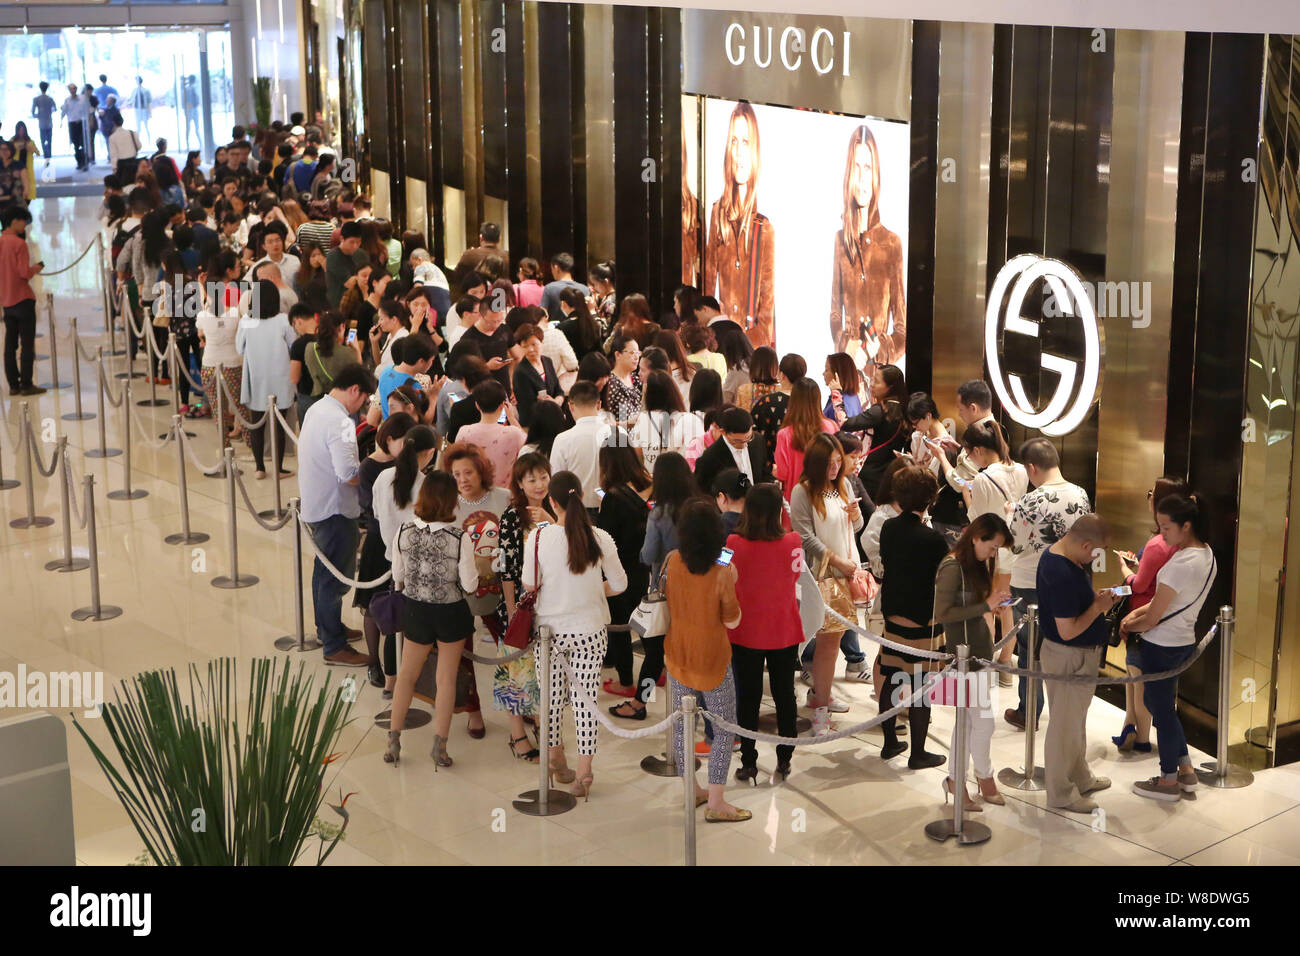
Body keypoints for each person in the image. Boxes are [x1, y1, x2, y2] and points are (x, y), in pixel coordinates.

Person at [522, 471, 627, 799]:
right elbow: (621, 584)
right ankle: (585, 772)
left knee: (551, 700)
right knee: (586, 702)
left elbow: (529, 584)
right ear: (580, 496)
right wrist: (595, 589)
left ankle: (556, 758)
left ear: (551, 502)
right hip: (590, 630)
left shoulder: (538, 538)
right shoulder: (600, 537)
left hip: (549, 632)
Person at [1121, 494, 1217, 802]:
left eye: (1166, 526)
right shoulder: (1206, 554)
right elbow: (1165, 604)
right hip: (1182, 641)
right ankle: (1186, 770)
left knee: (1161, 712)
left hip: (1160, 645)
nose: (1162, 533)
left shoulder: (1182, 563)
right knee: (1166, 710)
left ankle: (1167, 780)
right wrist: (1137, 616)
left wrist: (1128, 624)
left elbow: (1154, 616)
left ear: (1185, 526)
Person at [663, 500, 750, 822]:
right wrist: (733, 581)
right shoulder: (721, 571)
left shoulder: (672, 561)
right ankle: (716, 801)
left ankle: (692, 790)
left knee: (683, 726)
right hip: (713, 660)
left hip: (678, 654)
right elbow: (732, 621)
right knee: (724, 729)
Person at [386, 471, 480, 768]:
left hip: (415, 610)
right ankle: (439, 746)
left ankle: (393, 739)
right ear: (451, 501)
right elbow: (470, 585)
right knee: (445, 679)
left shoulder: (403, 531)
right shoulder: (459, 537)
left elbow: (398, 576)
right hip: (450, 613)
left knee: (406, 676)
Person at [1004, 437, 1092, 730]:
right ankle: (1063, 713)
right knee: (1062, 649)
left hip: (1031, 582)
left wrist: (1009, 515)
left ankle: (1028, 712)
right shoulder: (1080, 494)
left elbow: (1014, 546)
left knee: (1030, 652)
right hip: (1069, 582)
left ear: (1031, 467)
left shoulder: (1031, 500)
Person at [297, 363, 379, 666]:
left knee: (324, 573)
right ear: (355, 390)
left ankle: (327, 629)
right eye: (364, 398)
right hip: (335, 509)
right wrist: (375, 466)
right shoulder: (340, 421)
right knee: (333, 579)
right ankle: (334, 645)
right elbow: (348, 473)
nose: (364, 405)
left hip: (318, 504)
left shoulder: (318, 409)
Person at [1035, 514, 1117, 813]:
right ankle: (1060, 793)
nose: (1101, 557)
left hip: (1073, 655)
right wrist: (1098, 606)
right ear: (1086, 544)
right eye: (1100, 550)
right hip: (1068, 655)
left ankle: (1079, 775)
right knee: (1063, 728)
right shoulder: (1062, 572)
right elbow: (1067, 629)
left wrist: (1093, 601)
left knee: (1073, 723)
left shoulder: (1060, 555)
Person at [935, 514, 1013, 812]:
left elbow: (972, 607)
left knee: (970, 723)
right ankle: (982, 777)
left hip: (979, 654)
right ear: (977, 537)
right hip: (963, 657)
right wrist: (986, 605)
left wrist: (992, 603)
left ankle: (962, 779)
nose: (993, 554)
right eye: (992, 547)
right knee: (980, 723)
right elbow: (944, 613)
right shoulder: (952, 566)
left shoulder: (975, 563)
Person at [728, 482, 804, 783]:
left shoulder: (733, 543)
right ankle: (785, 758)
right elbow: (796, 573)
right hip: (783, 628)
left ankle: (748, 760)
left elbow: (723, 572)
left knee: (748, 697)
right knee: (785, 694)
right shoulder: (793, 541)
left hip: (745, 630)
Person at [790, 434, 865, 735]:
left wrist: (857, 516)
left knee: (832, 643)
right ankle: (820, 703)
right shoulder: (803, 491)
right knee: (827, 643)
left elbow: (854, 528)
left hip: (846, 571)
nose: (835, 468)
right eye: (830, 464)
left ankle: (821, 695)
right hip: (822, 575)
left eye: (838, 462)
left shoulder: (843, 486)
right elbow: (804, 537)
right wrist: (836, 561)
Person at [875, 465, 948, 764]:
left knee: (891, 676)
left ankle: (890, 742)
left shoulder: (888, 528)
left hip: (894, 616)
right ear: (930, 498)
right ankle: (918, 752)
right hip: (923, 622)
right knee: (921, 688)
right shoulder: (933, 540)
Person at [1112, 476, 1191, 752]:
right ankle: (1130, 730)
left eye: (1150, 493)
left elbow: (1141, 585)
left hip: (1143, 618)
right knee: (1137, 682)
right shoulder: (1183, 544)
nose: (1148, 498)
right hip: (1166, 623)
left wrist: (1124, 569)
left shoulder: (1158, 544)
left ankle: (1143, 740)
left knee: (1137, 683)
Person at [830, 124, 906, 368]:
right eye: (856, 167)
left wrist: (881, 349)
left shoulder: (891, 243)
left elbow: (903, 329)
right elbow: (834, 314)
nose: (862, 178)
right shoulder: (840, 240)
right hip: (848, 374)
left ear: (876, 175)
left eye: (868, 167)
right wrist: (845, 344)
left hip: (881, 379)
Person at [496, 453, 553, 761]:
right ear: (519, 483)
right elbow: (504, 566)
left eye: (543, 476)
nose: (539, 484)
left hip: (553, 603)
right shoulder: (511, 516)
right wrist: (511, 607)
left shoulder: (553, 509)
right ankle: (517, 734)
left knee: (545, 669)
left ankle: (545, 726)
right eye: (531, 479)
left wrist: (552, 520)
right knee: (516, 669)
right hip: (520, 604)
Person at [703, 101, 774, 347]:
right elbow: (707, 292)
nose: (740, 152)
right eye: (734, 141)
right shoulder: (716, 214)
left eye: (746, 142)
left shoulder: (763, 228)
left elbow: (767, 314)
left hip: (747, 352)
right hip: (717, 347)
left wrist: (743, 343)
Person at [355, 412, 417, 692]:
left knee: (397, 605)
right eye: (406, 441)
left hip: (401, 541)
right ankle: (374, 662)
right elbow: (371, 507)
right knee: (373, 604)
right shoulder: (371, 467)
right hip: (379, 541)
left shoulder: (412, 467)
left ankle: (396, 666)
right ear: (390, 439)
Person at [597, 442, 654, 700]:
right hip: (643, 569)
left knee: (619, 628)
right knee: (648, 630)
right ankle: (653, 680)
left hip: (619, 571)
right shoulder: (643, 491)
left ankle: (626, 682)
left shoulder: (613, 498)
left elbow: (606, 541)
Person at [234, 281, 297, 479]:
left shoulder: (247, 320)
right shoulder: (283, 320)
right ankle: (279, 468)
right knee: (279, 424)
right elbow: (292, 345)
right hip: (281, 377)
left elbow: (239, 348)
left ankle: (260, 467)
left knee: (257, 424)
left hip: (257, 377)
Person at [839, 363, 909, 495]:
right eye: (872, 379)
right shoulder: (904, 410)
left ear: (890, 387)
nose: (871, 384)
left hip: (869, 477)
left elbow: (844, 423)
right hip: (890, 476)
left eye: (876, 381)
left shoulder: (880, 411)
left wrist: (836, 393)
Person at [0, 207, 45, 396]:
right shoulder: (19, 244)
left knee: (10, 344)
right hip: (23, 299)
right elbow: (23, 273)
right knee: (27, 344)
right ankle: (26, 383)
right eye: (24, 221)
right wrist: (37, 267)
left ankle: (13, 385)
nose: (25, 225)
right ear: (15, 221)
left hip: (7, 300)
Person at [550, 380, 612, 512]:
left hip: (575, 509)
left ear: (571, 406)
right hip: (611, 506)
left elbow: (556, 480)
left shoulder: (562, 439)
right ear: (599, 404)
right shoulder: (617, 434)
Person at [774, 377, 837, 501]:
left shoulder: (785, 434)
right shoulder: (832, 427)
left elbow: (783, 473)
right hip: (826, 495)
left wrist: (774, 471)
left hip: (795, 498)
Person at [455, 379, 527, 487]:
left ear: (477, 405)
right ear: (503, 405)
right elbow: (529, 447)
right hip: (506, 497)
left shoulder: (464, 432)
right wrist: (511, 418)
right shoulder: (514, 433)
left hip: (473, 494)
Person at [632, 369, 704, 473]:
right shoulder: (691, 420)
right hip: (682, 481)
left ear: (648, 395)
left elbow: (635, 451)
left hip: (655, 482)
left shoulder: (644, 419)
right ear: (674, 391)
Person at [692, 405, 770, 494]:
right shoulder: (708, 459)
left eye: (748, 438)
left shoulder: (757, 441)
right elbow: (704, 494)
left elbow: (764, 473)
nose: (744, 445)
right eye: (737, 441)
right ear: (723, 432)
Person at [751, 352, 804, 474]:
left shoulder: (766, 402)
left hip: (770, 467)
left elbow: (753, 433)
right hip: (802, 468)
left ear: (782, 375)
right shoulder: (808, 402)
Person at [305, 310, 364, 401]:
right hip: (343, 401)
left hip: (317, 399)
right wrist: (356, 349)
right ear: (342, 327)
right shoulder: (348, 353)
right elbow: (359, 374)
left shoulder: (310, 348)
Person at [511, 322, 563, 426]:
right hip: (535, 425)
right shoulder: (520, 372)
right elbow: (527, 407)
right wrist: (551, 405)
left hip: (554, 419)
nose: (530, 349)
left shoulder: (547, 361)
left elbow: (559, 390)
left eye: (534, 344)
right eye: (525, 346)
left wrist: (556, 402)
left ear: (542, 343)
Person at [451, 221, 509, 289]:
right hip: (503, 296)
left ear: (481, 237)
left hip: (476, 297)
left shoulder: (469, 255)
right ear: (499, 238)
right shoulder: (507, 256)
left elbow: (456, 277)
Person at [325, 221, 368, 307]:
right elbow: (349, 283)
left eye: (358, 242)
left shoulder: (362, 254)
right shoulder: (333, 256)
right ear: (342, 239)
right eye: (352, 242)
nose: (355, 246)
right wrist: (361, 278)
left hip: (359, 302)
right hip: (339, 303)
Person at [604, 332, 642, 426]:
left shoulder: (637, 379)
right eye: (632, 353)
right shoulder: (610, 383)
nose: (636, 357)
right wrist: (628, 423)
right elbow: (604, 422)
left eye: (638, 353)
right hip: (619, 438)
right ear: (618, 355)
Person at [540, 252, 589, 324]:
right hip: (580, 330)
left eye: (551, 269)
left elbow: (543, 311)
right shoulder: (585, 289)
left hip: (557, 331)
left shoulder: (550, 288)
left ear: (556, 268)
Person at [61, 83, 91, 170]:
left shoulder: (82, 98)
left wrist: (89, 119)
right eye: (71, 89)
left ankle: (85, 161)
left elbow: (88, 109)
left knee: (83, 142)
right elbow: (64, 111)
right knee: (76, 143)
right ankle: (79, 162)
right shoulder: (67, 100)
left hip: (82, 122)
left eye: (74, 88)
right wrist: (61, 120)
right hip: (72, 123)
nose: (72, 90)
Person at [31, 82, 57, 161]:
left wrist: (37, 115)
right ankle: (49, 155)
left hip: (41, 122)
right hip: (49, 121)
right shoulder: (50, 99)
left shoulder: (36, 99)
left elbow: (32, 111)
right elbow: (55, 109)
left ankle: (46, 155)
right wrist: (49, 112)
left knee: (43, 139)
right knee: (49, 139)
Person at [128, 76, 152, 141]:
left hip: (144, 110)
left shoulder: (146, 91)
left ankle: (149, 140)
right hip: (137, 110)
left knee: (146, 127)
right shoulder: (135, 91)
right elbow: (131, 100)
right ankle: (137, 141)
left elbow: (149, 102)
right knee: (138, 127)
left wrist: (150, 113)